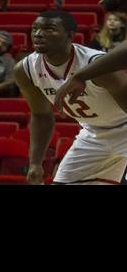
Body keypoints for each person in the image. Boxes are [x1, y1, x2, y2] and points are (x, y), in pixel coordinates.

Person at [17, 11, 127, 184]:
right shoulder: (26, 70)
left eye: (49, 29)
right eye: (35, 29)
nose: (38, 34)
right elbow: (41, 116)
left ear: (70, 35)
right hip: (93, 133)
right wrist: (36, 162)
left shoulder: (95, 64)